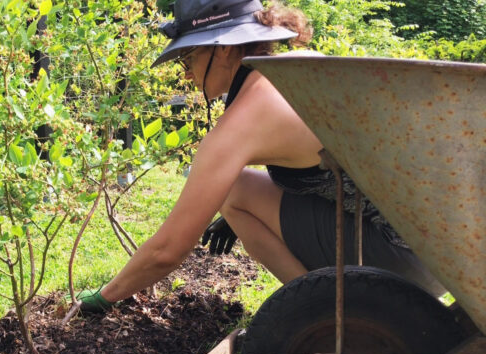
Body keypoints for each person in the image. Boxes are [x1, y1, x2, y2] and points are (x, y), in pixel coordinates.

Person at [77, 0, 447, 312]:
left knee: (234, 193)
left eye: (189, 56)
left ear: (223, 49)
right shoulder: (296, 67)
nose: (185, 73)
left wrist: (102, 299)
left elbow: (167, 251)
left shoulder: (244, 120)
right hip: (445, 251)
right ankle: (331, 312)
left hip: (404, 260)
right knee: (235, 190)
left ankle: (328, 317)